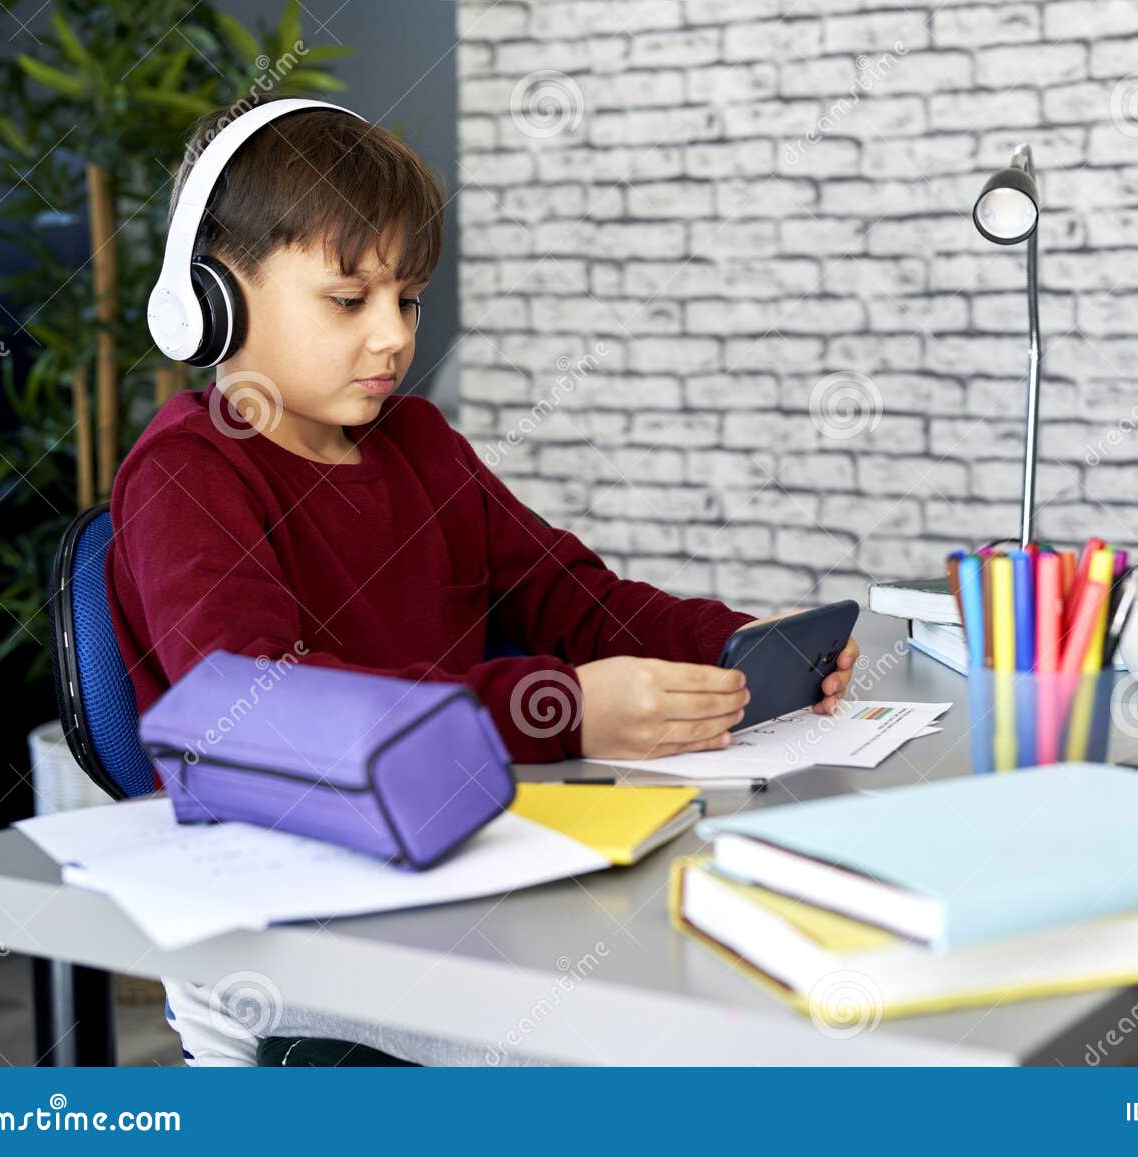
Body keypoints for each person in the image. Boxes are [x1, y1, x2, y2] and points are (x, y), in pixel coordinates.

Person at [107, 98, 859, 1065]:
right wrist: (559, 710)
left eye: (408, 299)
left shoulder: (419, 443)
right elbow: (270, 714)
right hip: (288, 938)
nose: (393, 336)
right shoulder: (188, 474)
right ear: (214, 297)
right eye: (350, 300)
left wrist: (735, 644)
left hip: (454, 873)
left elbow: (573, 597)